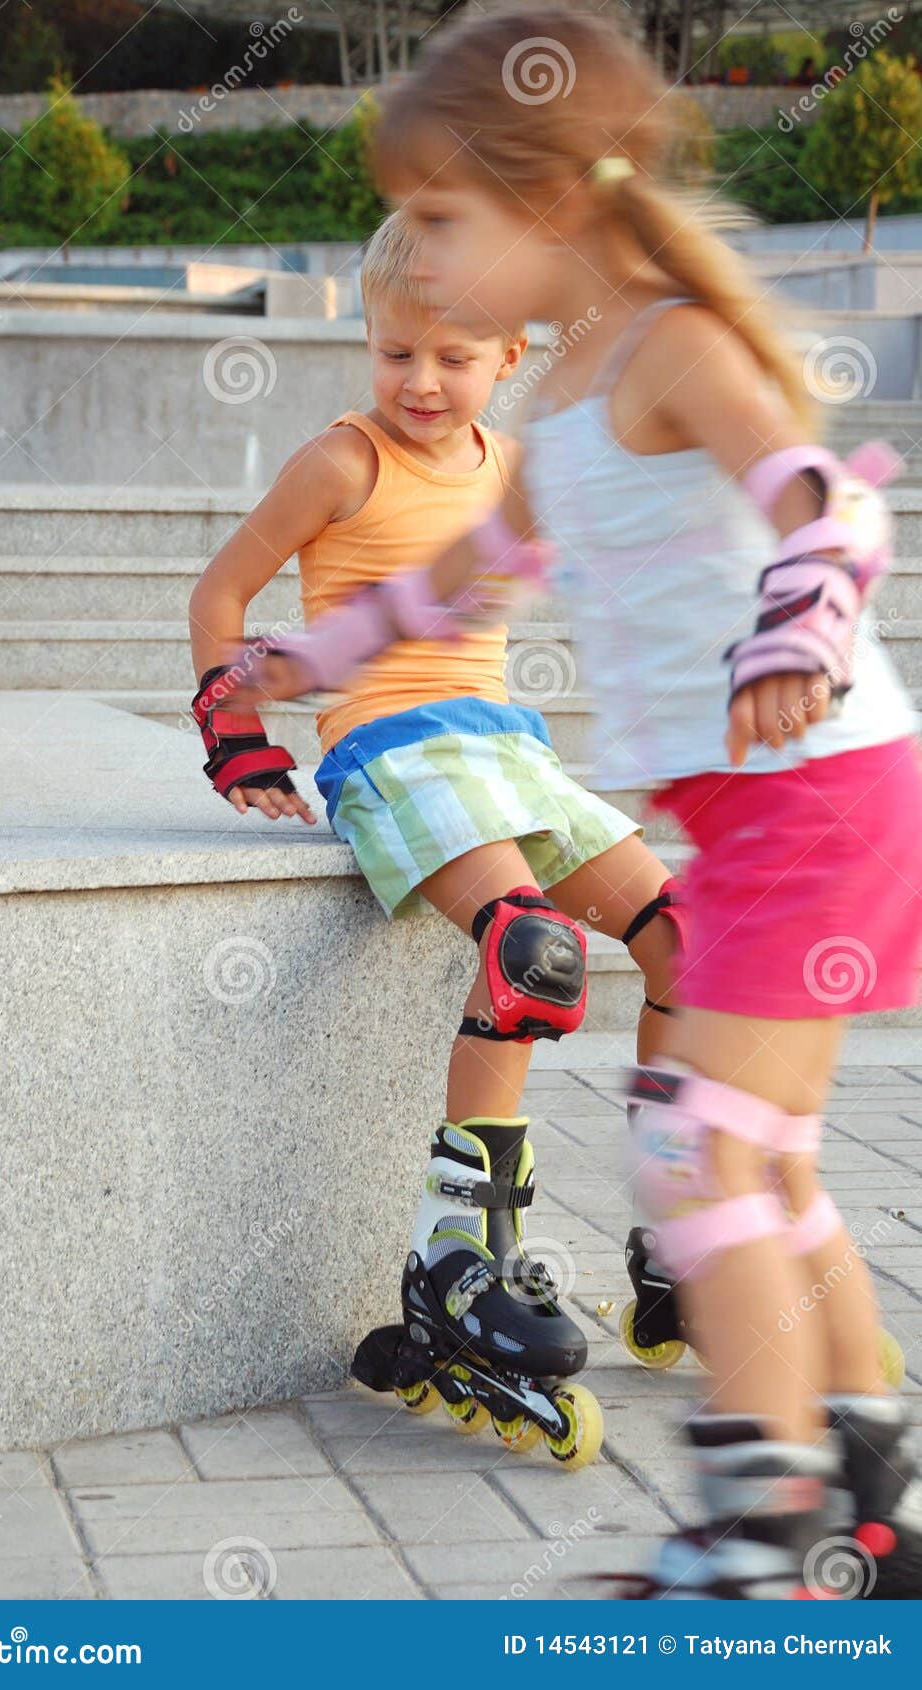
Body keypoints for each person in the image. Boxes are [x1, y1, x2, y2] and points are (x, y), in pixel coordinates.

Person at [221, 7, 922, 1599]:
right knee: (770, 1165)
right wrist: (304, 654)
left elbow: (824, 494)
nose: (428, 265)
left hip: (828, 792)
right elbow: (450, 580)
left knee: (703, 1154)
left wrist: (802, 613)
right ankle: (868, 1496)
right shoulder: (562, 415)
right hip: (761, 825)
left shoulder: (677, 345)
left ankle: (764, 1524)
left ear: (548, 203)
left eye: (449, 222)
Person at [188, 208, 682, 1462]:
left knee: (690, 941)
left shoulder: (510, 472)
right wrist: (236, 731)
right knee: (535, 957)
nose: (419, 381)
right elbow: (220, 590)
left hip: (507, 748)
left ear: (507, 355)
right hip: (392, 753)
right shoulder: (340, 462)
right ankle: (460, 1267)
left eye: (452, 357)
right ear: (366, 339)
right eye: (394, 351)